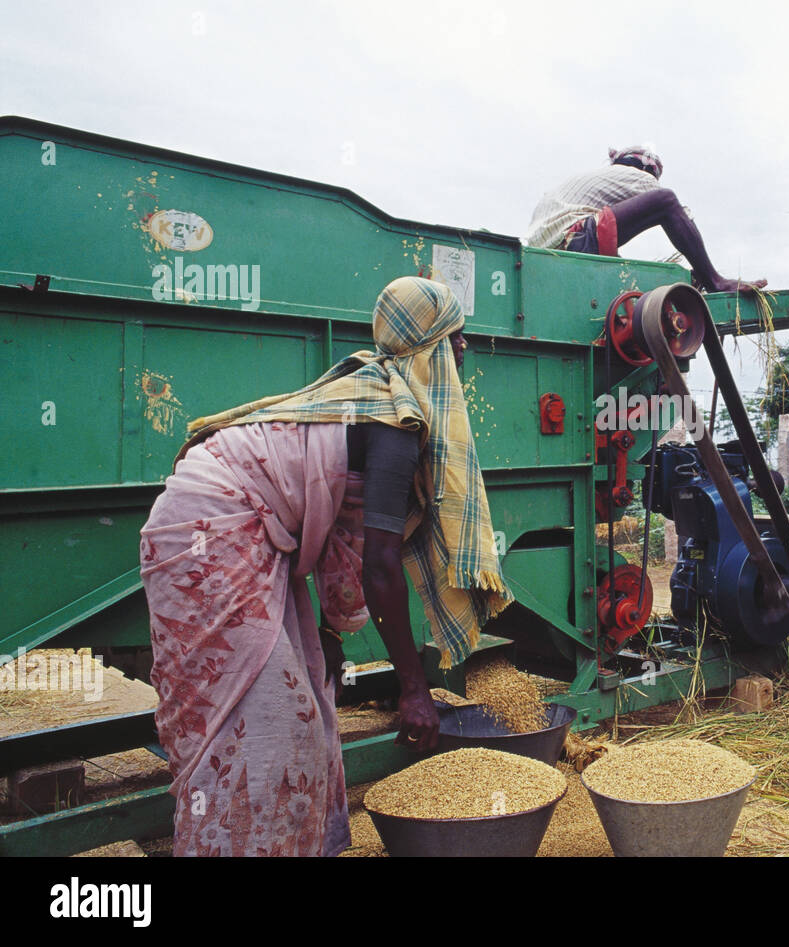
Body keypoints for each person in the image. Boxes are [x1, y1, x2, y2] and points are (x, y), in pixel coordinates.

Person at [140, 277, 512, 855]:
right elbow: (379, 565)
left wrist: (333, 633)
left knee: (307, 708)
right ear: (430, 349)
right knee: (261, 725)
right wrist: (414, 688)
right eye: (454, 338)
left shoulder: (368, 392)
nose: (465, 350)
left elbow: (344, 532)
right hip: (209, 533)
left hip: (244, 534)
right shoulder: (392, 418)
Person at [525, 145, 766, 294]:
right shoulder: (635, 174)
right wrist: (704, 271)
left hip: (541, 258)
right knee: (666, 201)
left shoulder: (589, 181)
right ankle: (716, 282)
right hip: (573, 239)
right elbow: (679, 214)